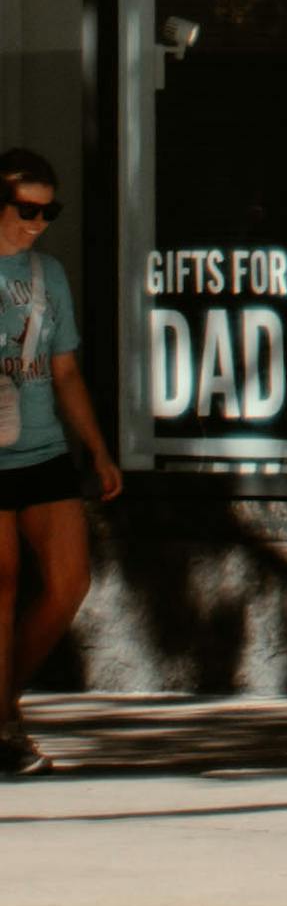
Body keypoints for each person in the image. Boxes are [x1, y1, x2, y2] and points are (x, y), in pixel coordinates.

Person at [0, 147, 115, 772]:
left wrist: (96, 450)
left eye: (50, 211)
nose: (38, 222)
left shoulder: (50, 275)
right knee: (3, 583)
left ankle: (1, 706)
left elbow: (65, 370)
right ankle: (4, 727)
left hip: (43, 448)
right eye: (26, 209)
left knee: (70, 582)